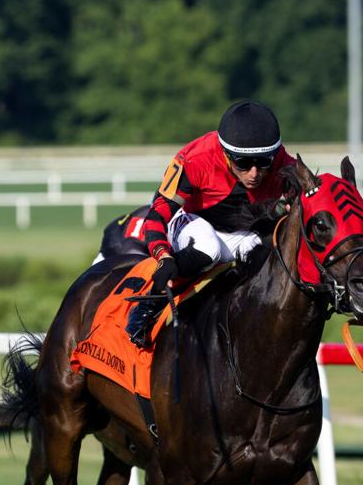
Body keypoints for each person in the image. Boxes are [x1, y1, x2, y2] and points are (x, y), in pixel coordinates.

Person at [124, 100, 297, 347]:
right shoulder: (196, 159)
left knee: (274, 248)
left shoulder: (284, 163)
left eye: (263, 162)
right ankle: (150, 301)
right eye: (243, 163)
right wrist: (163, 256)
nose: (254, 173)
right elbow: (157, 215)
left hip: (238, 232)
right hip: (189, 222)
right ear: (226, 154)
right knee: (208, 246)